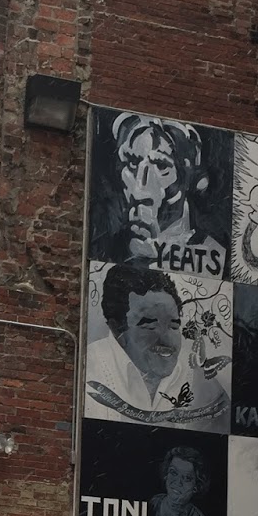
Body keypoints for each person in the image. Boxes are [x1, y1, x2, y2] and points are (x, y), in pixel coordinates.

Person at [85, 260, 230, 429]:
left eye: (174, 326)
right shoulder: (90, 369)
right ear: (117, 329)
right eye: (151, 326)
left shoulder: (198, 377)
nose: (167, 339)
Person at [98, 114, 228, 277]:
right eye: (132, 163)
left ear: (188, 176)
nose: (140, 189)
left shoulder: (215, 257)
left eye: (161, 166)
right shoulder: (107, 249)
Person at [149, 445, 212, 516]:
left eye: (187, 478)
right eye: (173, 472)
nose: (178, 483)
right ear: (166, 475)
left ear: (196, 486)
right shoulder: (153, 502)